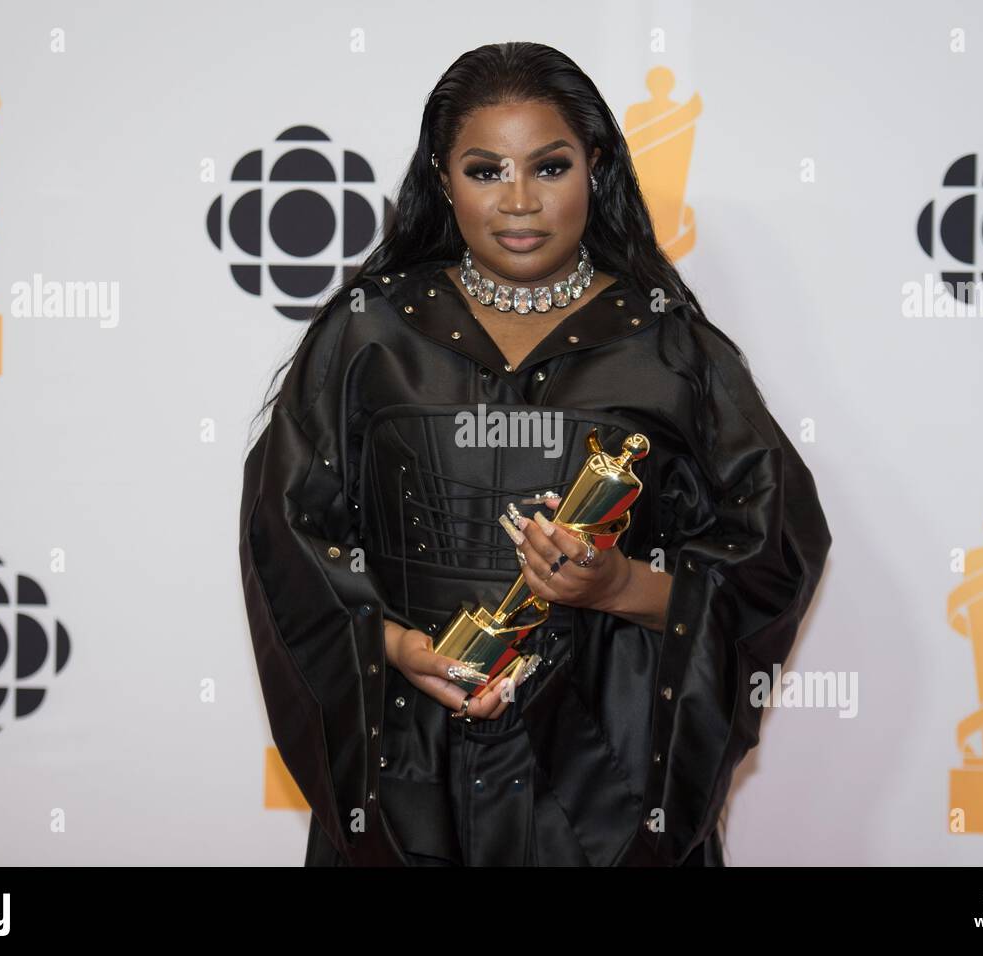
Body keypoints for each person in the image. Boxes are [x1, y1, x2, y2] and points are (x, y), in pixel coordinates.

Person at [238, 42, 832, 866]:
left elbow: (774, 550)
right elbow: (288, 536)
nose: (519, 202)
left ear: (595, 167)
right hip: (409, 773)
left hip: (610, 785)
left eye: (548, 167)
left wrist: (623, 584)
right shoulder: (370, 335)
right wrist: (401, 648)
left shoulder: (668, 346)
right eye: (486, 171)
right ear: (443, 180)